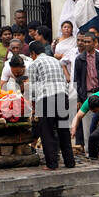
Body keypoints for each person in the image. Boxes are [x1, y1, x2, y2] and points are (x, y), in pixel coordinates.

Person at [26, 40, 74, 170]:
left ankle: (52, 164)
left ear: (33, 53)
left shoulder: (34, 64)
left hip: (46, 98)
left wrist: (34, 108)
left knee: (47, 132)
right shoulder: (56, 61)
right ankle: (70, 162)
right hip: (62, 96)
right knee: (63, 130)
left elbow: (33, 89)